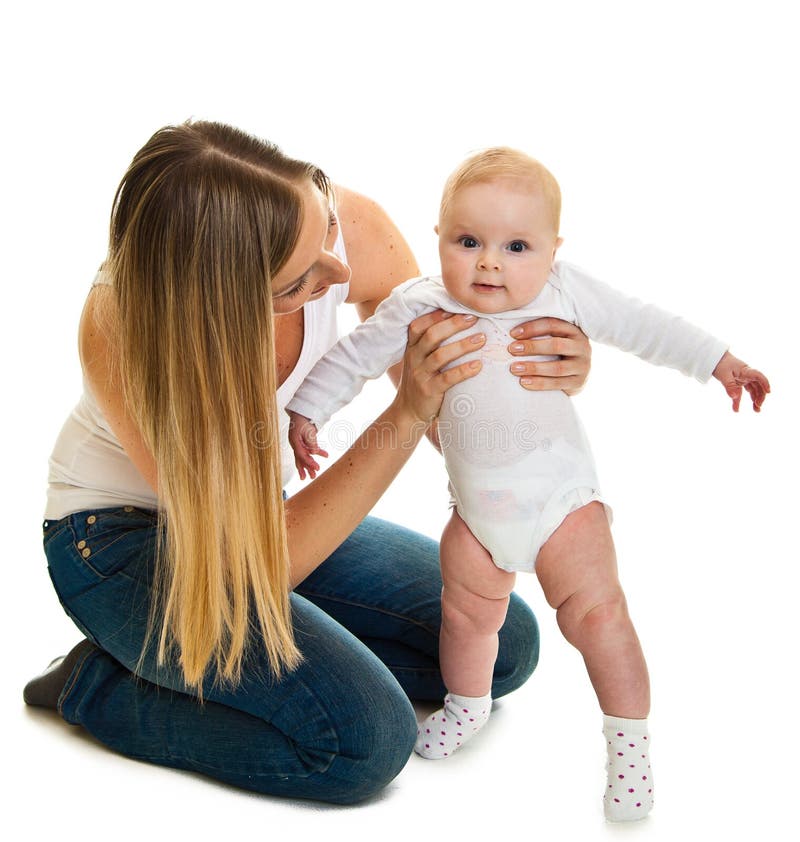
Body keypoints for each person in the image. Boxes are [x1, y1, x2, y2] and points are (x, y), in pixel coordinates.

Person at [23, 123, 594, 805]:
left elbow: (456, 377)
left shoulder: (345, 224)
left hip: (262, 522)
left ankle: (235, 670)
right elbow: (260, 565)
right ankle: (98, 685)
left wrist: (541, 395)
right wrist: (405, 412)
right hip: (120, 543)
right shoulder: (124, 326)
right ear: (222, 299)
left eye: (323, 228)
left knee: (499, 646)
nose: (340, 273)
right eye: (298, 284)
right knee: (363, 740)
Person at [286, 147, 770, 820]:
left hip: (561, 505)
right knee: (467, 617)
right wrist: (308, 410)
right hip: (476, 515)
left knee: (598, 617)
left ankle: (628, 746)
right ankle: (467, 706)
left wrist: (718, 361)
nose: (489, 262)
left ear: (552, 250)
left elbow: (643, 324)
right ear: (439, 239)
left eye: (516, 246)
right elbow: (353, 358)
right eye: (468, 241)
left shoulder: (564, 294)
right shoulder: (416, 304)